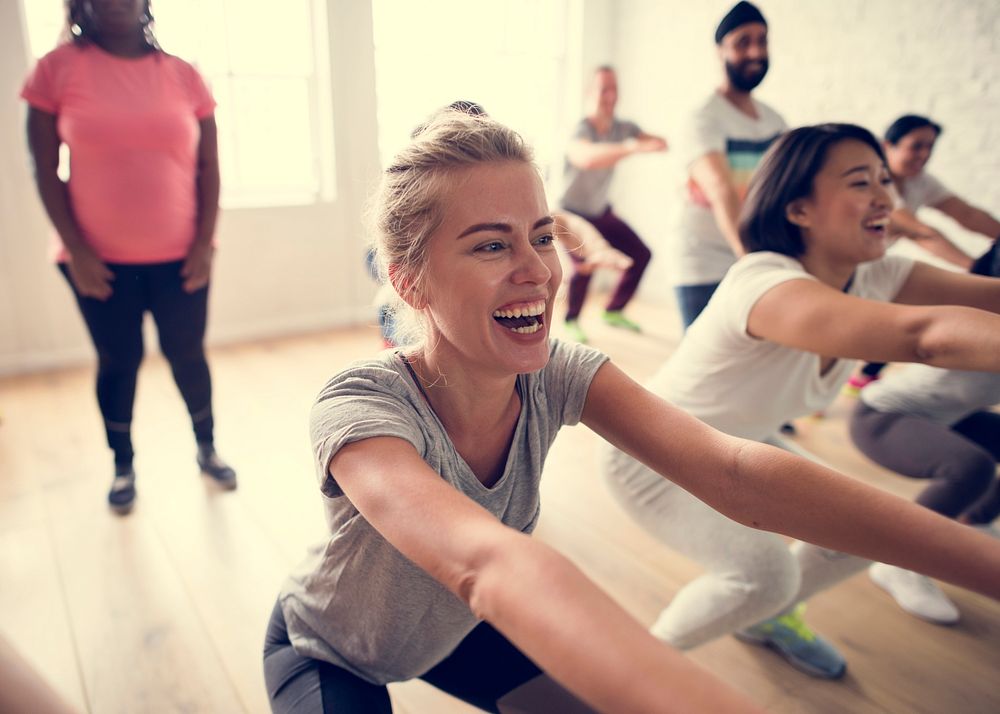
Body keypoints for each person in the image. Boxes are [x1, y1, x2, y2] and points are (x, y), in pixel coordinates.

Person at [263, 111, 1000, 713]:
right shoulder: (361, 403)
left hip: (453, 631)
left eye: (542, 235)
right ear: (411, 282)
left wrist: (983, 562)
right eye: (492, 244)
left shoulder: (558, 373)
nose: (536, 269)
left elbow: (738, 472)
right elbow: (487, 563)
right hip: (334, 650)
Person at [602, 123, 1000, 681]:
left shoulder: (876, 274)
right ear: (799, 210)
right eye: (861, 181)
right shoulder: (762, 283)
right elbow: (923, 337)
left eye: (885, 180)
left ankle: (765, 620)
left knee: (866, 529)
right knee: (764, 576)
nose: (886, 195)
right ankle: (624, 682)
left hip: (741, 444)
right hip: (651, 454)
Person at [21, 0, 236, 515]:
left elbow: (209, 167)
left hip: (182, 258)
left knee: (187, 353)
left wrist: (204, 244)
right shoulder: (56, 70)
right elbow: (44, 169)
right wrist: (76, 250)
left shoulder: (185, 76)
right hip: (96, 263)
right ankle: (123, 464)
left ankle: (206, 447)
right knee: (119, 361)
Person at [848, 256, 1000, 623]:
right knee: (970, 467)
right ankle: (899, 562)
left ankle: (971, 519)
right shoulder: (983, 323)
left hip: (950, 416)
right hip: (883, 416)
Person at [846, 114, 1000, 392]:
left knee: (903, 311)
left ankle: (863, 376)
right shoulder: (876, 182)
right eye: (916, 146)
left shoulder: (921, 182)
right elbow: (918, 231)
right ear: (887, 145)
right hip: (839, 267)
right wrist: (974, 269)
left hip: (868, 267)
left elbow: (967, 214)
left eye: (929, 147)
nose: (924, 155)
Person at [670, 1, 787, 330]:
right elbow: (721, 190)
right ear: (720, 50)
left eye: (762, 40)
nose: (755, 52)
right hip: (704, 263)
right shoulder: (703, 118)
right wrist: (752, 260)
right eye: (743, 42)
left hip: (757, 255)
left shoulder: (775, 122)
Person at [557, 65, 667, 344]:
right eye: (603, 89)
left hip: (601, 210)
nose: (609, 96)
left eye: (614, 89)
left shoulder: (623, 128)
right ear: (590, 93)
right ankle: (571, 320)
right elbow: (586, 158)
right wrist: (630, 147)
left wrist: (650, 143)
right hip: (571, 213)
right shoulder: (583, 128)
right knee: (585, 264)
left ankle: (613, 310)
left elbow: (658, 142)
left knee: (640, 254)